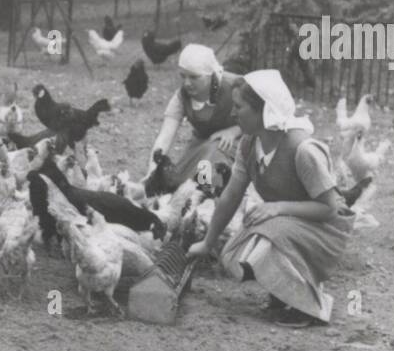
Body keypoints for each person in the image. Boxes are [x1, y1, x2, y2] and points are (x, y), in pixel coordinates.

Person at [187, 69, 353, 327]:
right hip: (292, 224)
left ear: (264, 111)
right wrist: (208, 243)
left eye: (239, 107)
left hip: (326, 231)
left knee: (267, 233)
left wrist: (277, 207)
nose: (232, 114)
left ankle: (309, 307)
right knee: (235, 248)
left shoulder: (303, 150)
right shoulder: (249, 144)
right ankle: (282, 292)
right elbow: (231, 194)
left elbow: (330, 209)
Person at [148, 44, 243, 185]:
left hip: (236, 142)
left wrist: (234, 131)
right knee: (178, 182)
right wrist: (152, 171)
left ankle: (206, 195)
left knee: (208, 177)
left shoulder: (234, 85)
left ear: (211, 74)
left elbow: (265, 114)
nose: (187, 83)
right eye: (183, 76)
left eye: (194, 77)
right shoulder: (181, 96)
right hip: (202, 144)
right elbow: (164, 137)